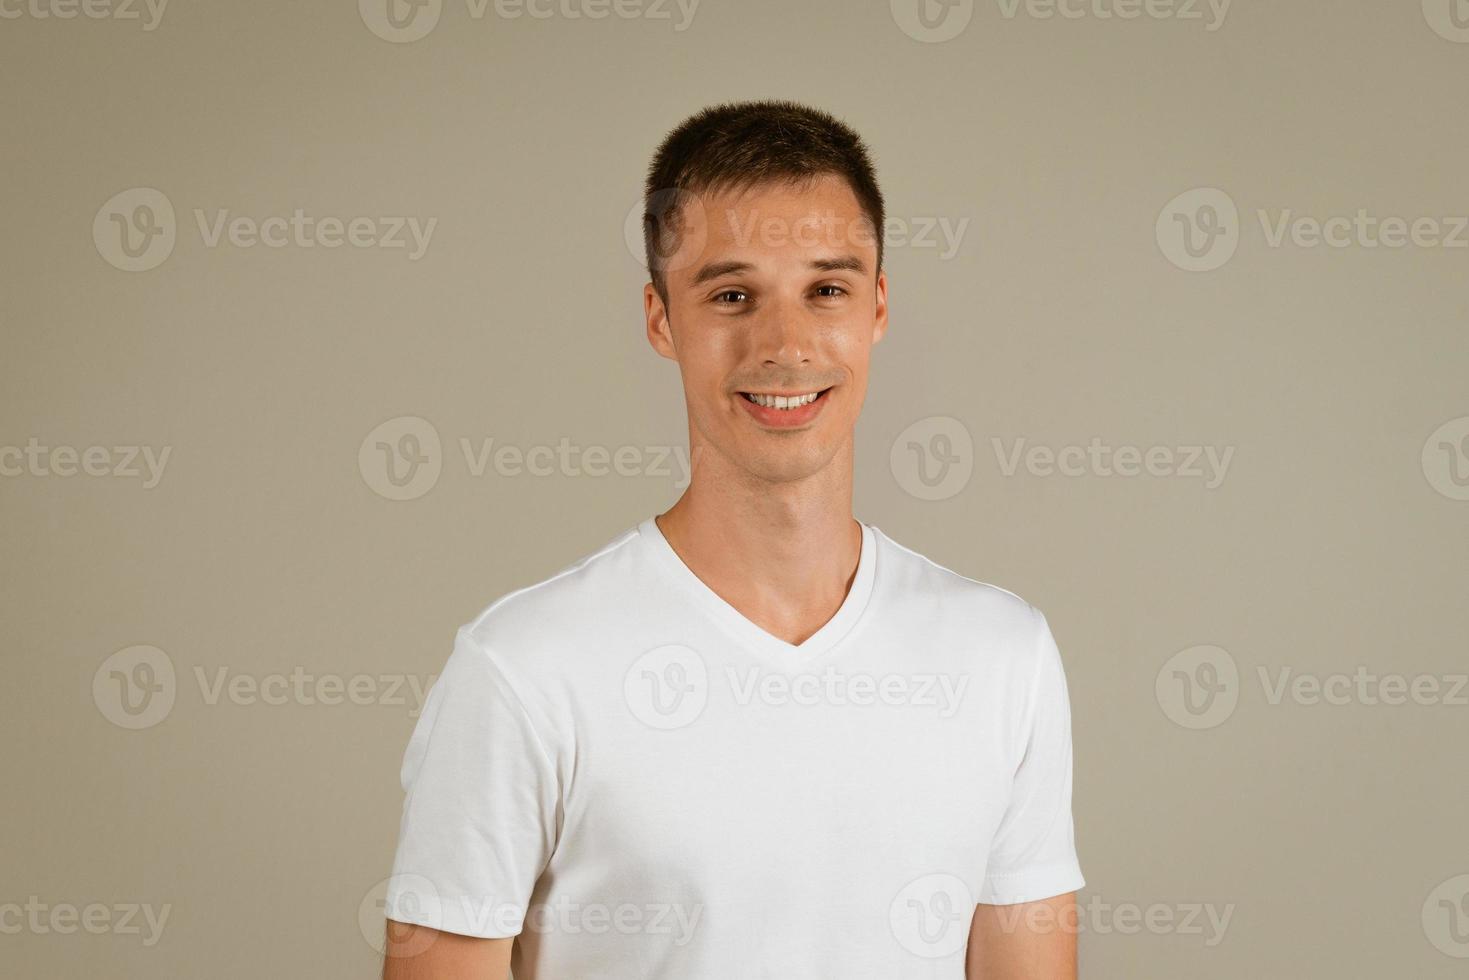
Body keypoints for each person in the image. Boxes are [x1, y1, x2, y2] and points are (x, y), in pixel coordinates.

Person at [381, 99, 1083, 980]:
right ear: (661, 320)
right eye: (731, 296)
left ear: (877, 306)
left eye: (825, 289)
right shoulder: (523, 668)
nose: (784, 344)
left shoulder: (1001, 654)